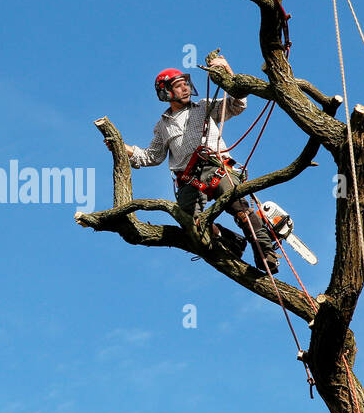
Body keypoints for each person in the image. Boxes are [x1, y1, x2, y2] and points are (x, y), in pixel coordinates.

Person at [114, 54, 280, 273]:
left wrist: (226, 70)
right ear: (166, 92)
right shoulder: (162, 126)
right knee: (190, 222)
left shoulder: (204, 106)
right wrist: (123, 148)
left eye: (185, 84)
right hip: (188, 179)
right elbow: (152, 156)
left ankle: (265, 253)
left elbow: (237, 104)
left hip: (217, 167)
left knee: (237, 205)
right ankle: (228, 240)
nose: (184, 88)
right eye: (178, 85)